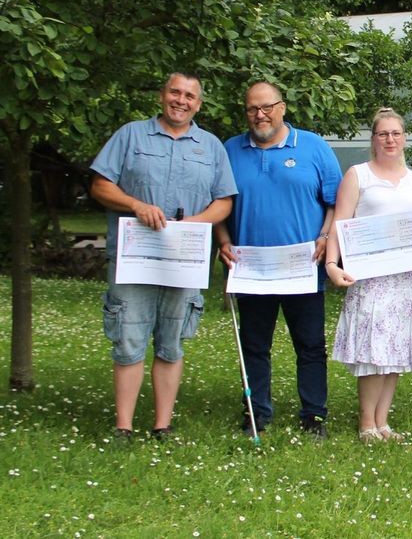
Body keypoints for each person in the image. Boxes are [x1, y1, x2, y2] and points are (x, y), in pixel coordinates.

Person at [90, 72, 237, 441]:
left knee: (172, 341)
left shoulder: (211, 146)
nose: (181, 100)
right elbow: (100, 185)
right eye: (175, 92)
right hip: (134, 258)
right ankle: (123, 426)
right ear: (162, 95)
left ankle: (162, 425)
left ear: (198, 104)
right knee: (128, 338)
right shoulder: (130, 135)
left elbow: (225, 201)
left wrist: (197, 224)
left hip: (182, 261)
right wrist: (135, 205)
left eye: (190, 95)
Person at [216, 81, 342, 439]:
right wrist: (223, 240)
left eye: (267, 107)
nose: (260, 115)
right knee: (255, 345)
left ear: (283, 107)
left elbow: (336, 200)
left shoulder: (314, 147)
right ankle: (256, 412)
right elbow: (218, 204)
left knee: (311, 346)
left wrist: (325, 235)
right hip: (251, 269)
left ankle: (314, 415)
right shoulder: (230, 150)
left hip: (302, 267)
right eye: (253, 109)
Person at [324, 108, 412, 443]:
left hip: (406, 277)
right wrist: (333, 265)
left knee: (394, 350)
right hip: (371, 276)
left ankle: (383, 422)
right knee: (373, 351)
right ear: (373, 139)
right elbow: (340, 224)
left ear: (404, 138)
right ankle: (366, 423)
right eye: (383, 134)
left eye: (396, 133)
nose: (390, 139)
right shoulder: (358, 175)